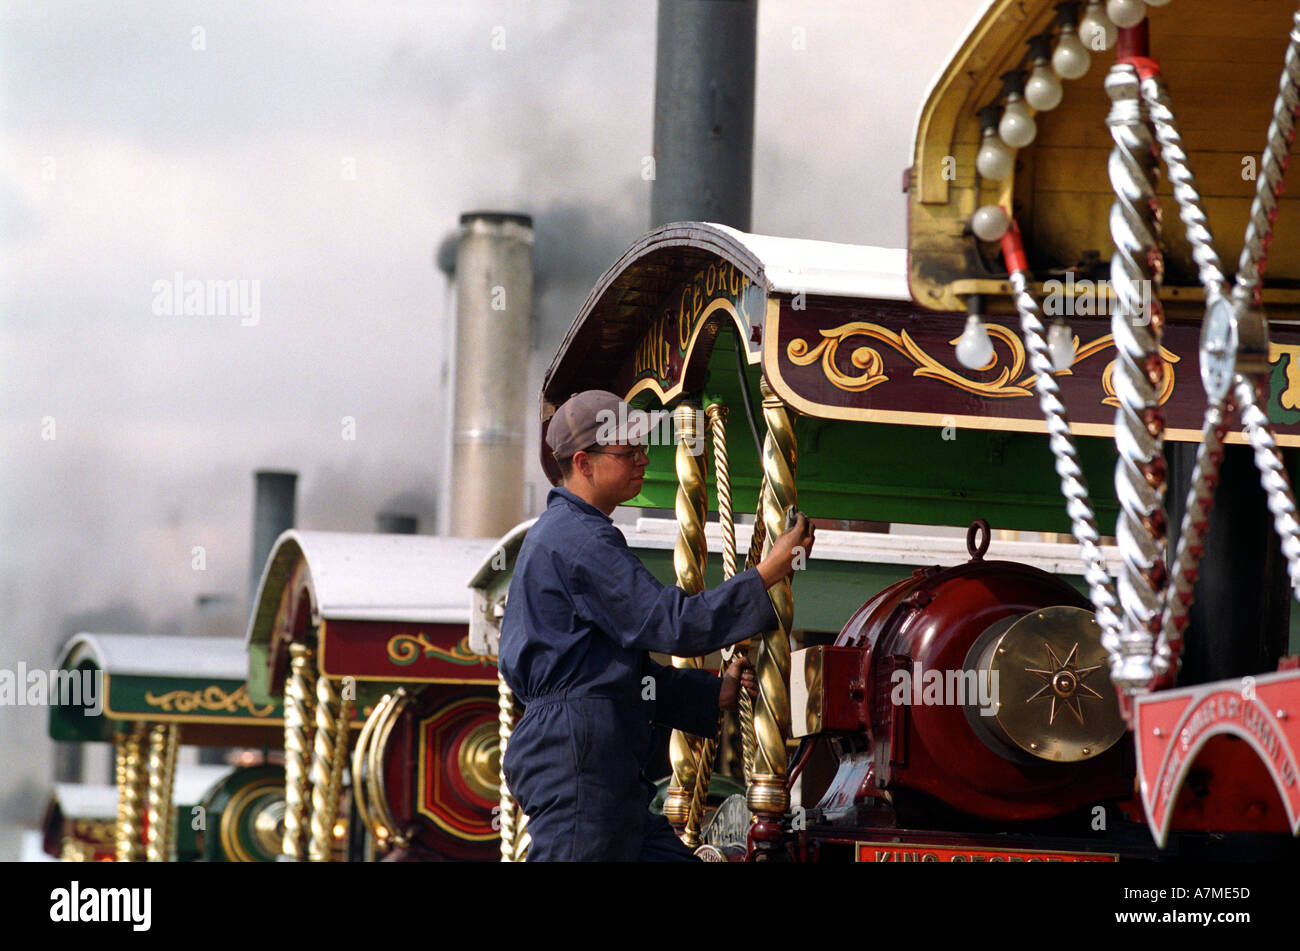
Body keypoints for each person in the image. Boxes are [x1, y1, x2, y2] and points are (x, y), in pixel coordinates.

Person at [498, 389, 816, 861]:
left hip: (595, 762)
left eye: (641, 448)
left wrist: (715, 693)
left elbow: (610, 677)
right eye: (628, 452)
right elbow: (673, 624)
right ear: (583, 463)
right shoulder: (578, 539)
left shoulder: (569, 534)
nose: (643, 459)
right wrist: (768, 572)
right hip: (580, 757)